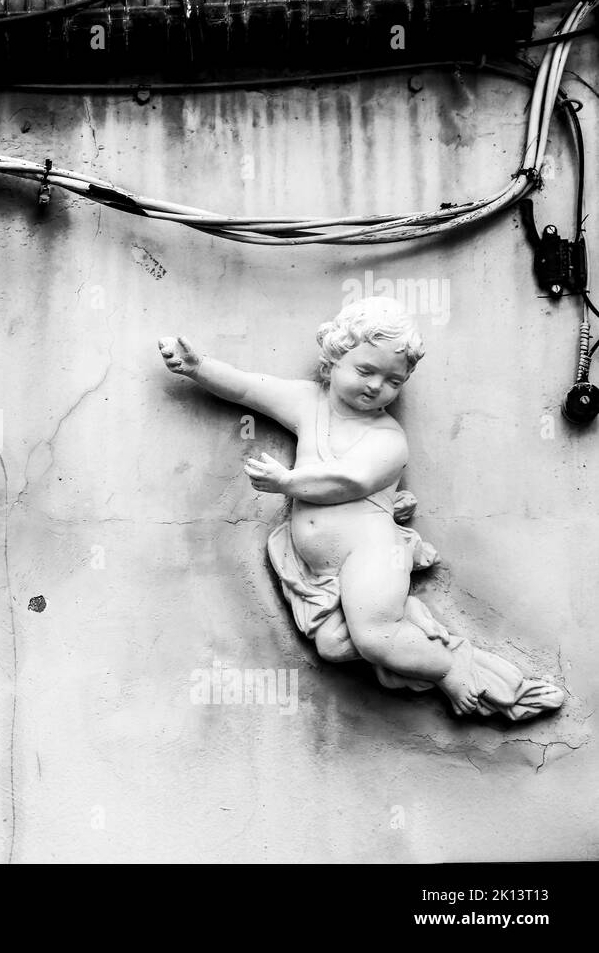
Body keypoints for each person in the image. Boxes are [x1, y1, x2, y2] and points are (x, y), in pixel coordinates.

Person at [159, 296, 564, 720]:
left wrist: (288, 483)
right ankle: (403, 622)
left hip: (371, 554)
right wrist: (197, 367)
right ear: (333, 359)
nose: (376, 386)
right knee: (334, 646)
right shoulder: (307, 404)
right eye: (365, 370)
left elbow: (349, 480)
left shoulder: (389, 438)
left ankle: (449, 669)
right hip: (324, 572)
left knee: (371, 639)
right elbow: (246, 387)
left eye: (393, 380)